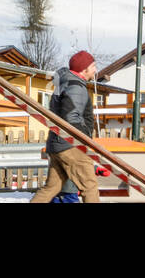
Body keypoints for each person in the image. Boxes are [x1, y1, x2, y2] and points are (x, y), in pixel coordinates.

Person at [31, 50, 100, 204]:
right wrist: (84, 137)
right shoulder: (76, 87)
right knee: (89, 186)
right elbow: (70, 118)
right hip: (71, 145)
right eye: (93, 66)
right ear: (84, 69)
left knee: (52, 187)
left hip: (57, 143)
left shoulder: (65, 83)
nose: (95, 69)